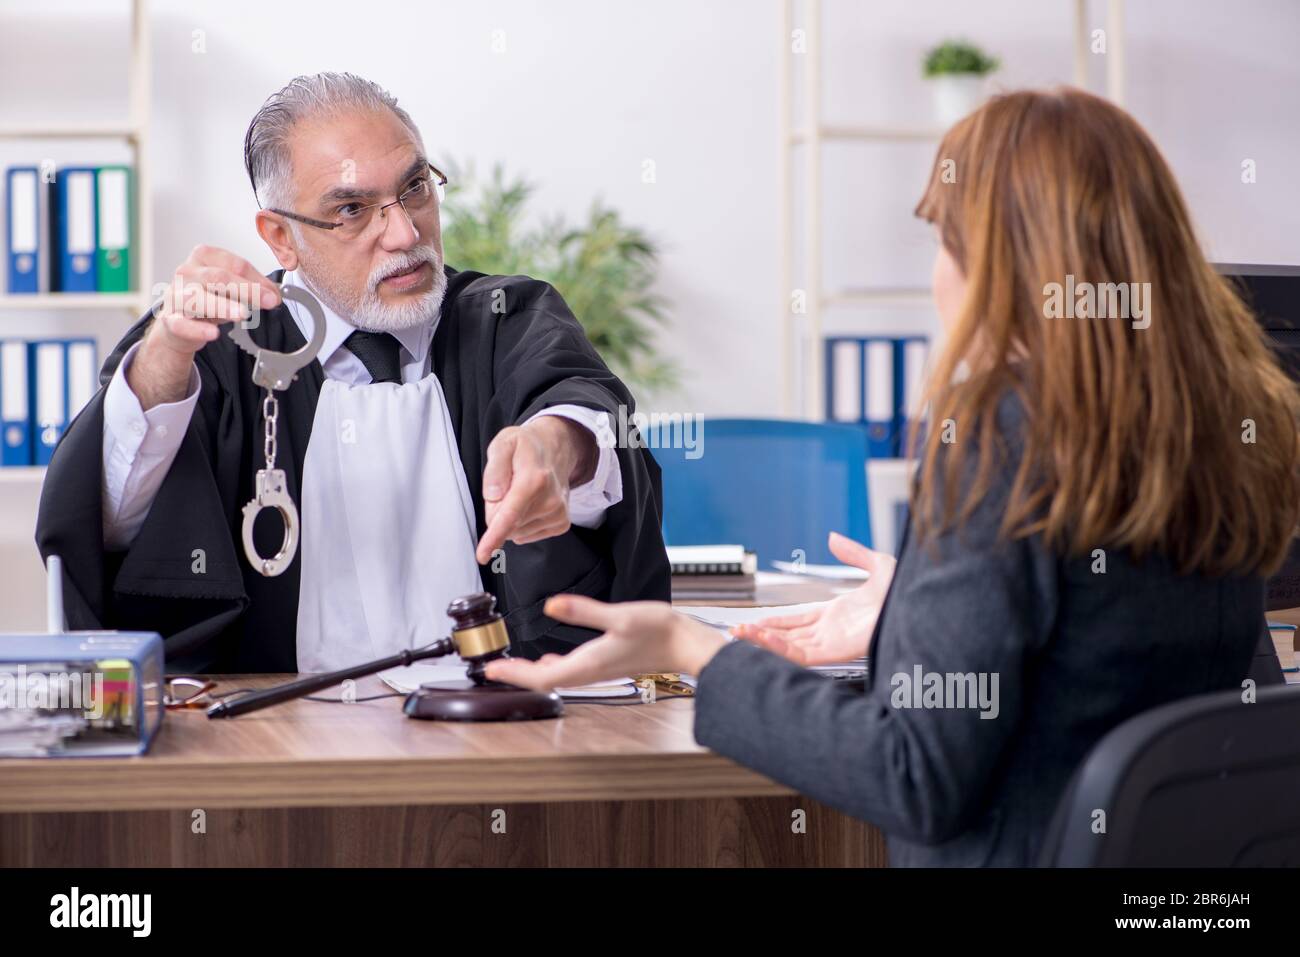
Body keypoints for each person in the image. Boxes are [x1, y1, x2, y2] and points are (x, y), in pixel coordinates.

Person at [487, 88, 1300, 866]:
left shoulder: (1004, 437)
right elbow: (1162, 683)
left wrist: (688, 646)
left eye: (947, 245)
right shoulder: (1220, 428)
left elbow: (914, 776)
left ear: (1007, 267)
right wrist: (917, 608)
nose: (939, 281)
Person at [36, 72, 669, 674]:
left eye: (415, 187)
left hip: (504, 730)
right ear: (280, 238)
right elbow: (109, 518)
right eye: (350, 210)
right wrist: (165, 358)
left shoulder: (506, 317)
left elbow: (582, 409)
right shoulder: (215, 348)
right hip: (277, 737)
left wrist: (557, 448)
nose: (403, 233)